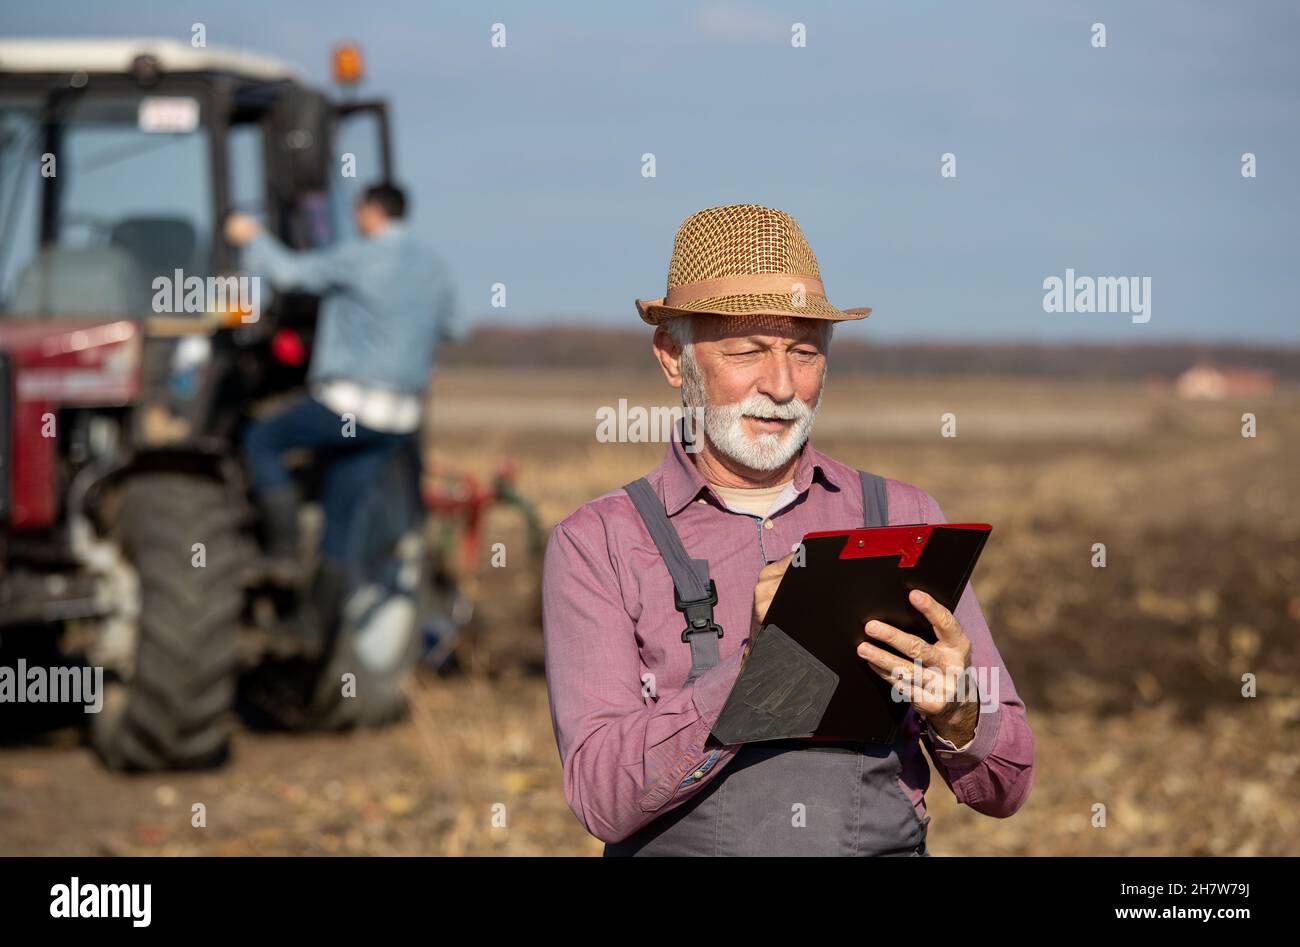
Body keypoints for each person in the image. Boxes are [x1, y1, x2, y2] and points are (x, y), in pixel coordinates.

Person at [542, 203, 1034, 856]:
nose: (780, 385)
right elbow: (599, 793)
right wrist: (752, 676)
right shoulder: (598, 541)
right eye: (747, 351)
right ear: (672, 356)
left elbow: (1007, 787)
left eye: (804, 352)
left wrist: (958, 712)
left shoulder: (907, 517)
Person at [224, 183, 456, 621]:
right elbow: (453, 326)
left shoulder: (359, 256)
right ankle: (314, 628)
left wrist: (250, 235)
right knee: (341, 519)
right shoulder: (435, 267)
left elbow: (290, 274)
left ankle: (283, 550)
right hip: (401, 418)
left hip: (350, 406)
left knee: (261, 440)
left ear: (370, 212)